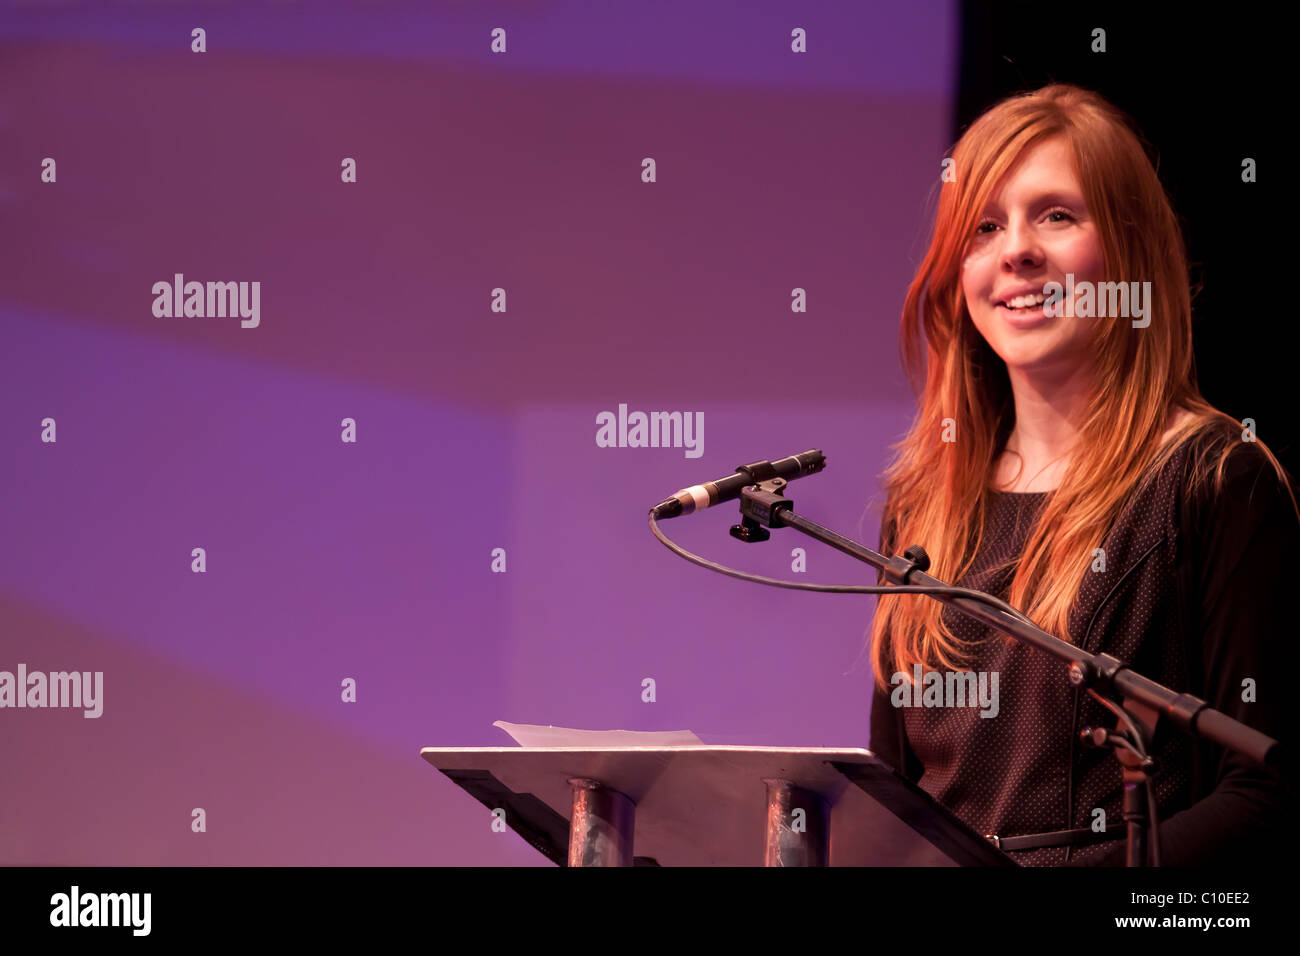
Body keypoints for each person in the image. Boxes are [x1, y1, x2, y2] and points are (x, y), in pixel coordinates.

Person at [866, 83, 1298, 866]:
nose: (1015, 250)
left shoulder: (1213, 479)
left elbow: (1264, 791)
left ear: (1129, 250)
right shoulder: (925, 504)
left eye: (1056, 215)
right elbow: (894, 792)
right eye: (985, 227)